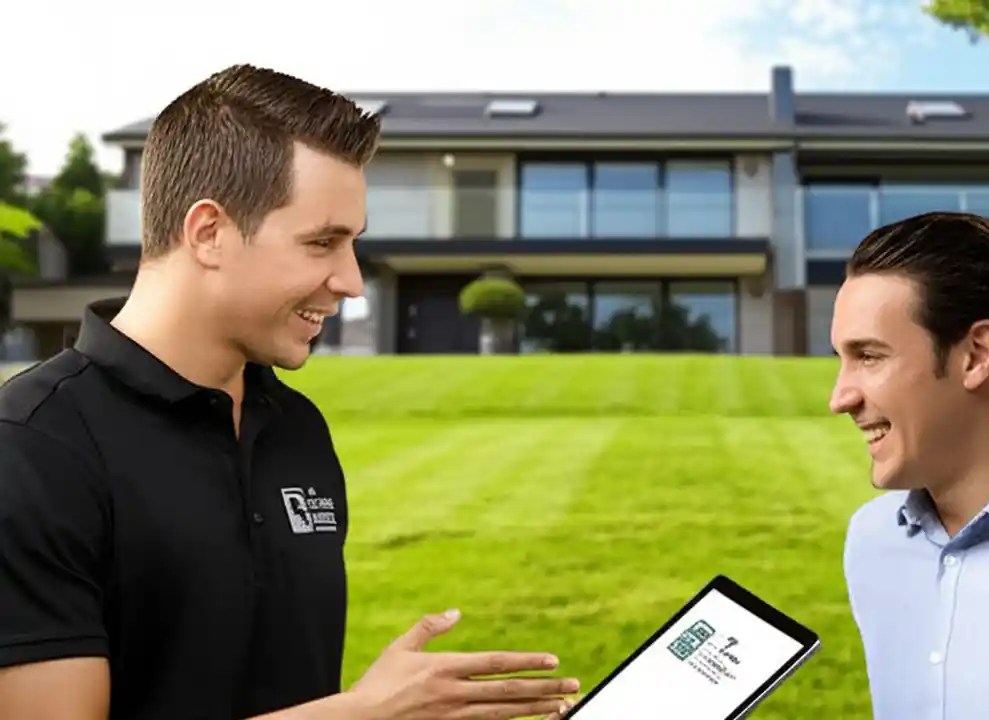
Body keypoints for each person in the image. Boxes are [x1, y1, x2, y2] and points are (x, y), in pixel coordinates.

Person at [0, 64, 578, 720]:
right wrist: (365, 713)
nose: (352, 281)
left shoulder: (297, 428)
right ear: (209, 233)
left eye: (352, 244)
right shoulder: (33, 448)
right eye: (322, 243)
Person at [831, 212, 989, 719]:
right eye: (841, 358)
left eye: (869, 356)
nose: (840, 397)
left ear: (976, 355)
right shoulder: (872, 543)